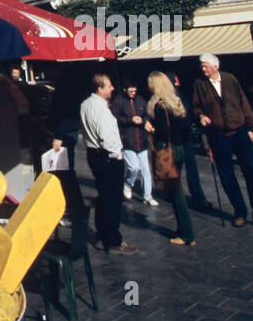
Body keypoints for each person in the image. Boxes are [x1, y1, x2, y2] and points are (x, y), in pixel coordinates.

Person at [80, 72, 138, 255]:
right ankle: (113, 241)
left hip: (94, 154)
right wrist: (117, 156)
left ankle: (101, 236)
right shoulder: (100, 108)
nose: (112, 88)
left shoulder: (85, 104)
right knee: (112, 199)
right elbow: (106, 137)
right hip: (108, 157)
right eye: (109, 86)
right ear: (100, 89)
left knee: (104, 197)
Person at [192, 54, 253, 227]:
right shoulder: (200, 84)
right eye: (201, 66)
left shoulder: (230, 79)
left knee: (251, 170)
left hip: (240, 132)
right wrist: (201, 116)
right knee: (227, 176)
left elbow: (243, 102)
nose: (203, 69)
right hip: (218, 136)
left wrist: (251, 127)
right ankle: (240, 212)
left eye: (205, 66)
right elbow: (195, 107)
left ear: (215, 66)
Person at [146, 71, 196, 246]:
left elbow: (162, 132)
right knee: (175, 189)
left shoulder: (160, 106)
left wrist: (150, 129)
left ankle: (187, 234)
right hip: (180, 148)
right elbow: (184, 127)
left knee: (176, 193)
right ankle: (183, 230)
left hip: (168, 151)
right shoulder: (176, 101)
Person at [111, 81, 158, 206]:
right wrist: (130, 120)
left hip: (141, 140)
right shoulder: (118, 101)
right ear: (125, 90)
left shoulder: (140, 101)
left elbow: (147, 115)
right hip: (127, 140)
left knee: (146, 169)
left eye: (135, 91)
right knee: (134, 167)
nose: (133, 93)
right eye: (131, 91)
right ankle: (127, 183)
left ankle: (147, 196)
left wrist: (144, 121)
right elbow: (115, 118)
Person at [172, 73, 211, 211]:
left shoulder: (182, 96)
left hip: (186, 137)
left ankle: (198, 197)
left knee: (192, 168)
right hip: (174, 139)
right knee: (175, 170)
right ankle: (176, 197)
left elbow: (189, 113)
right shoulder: (165, 100)